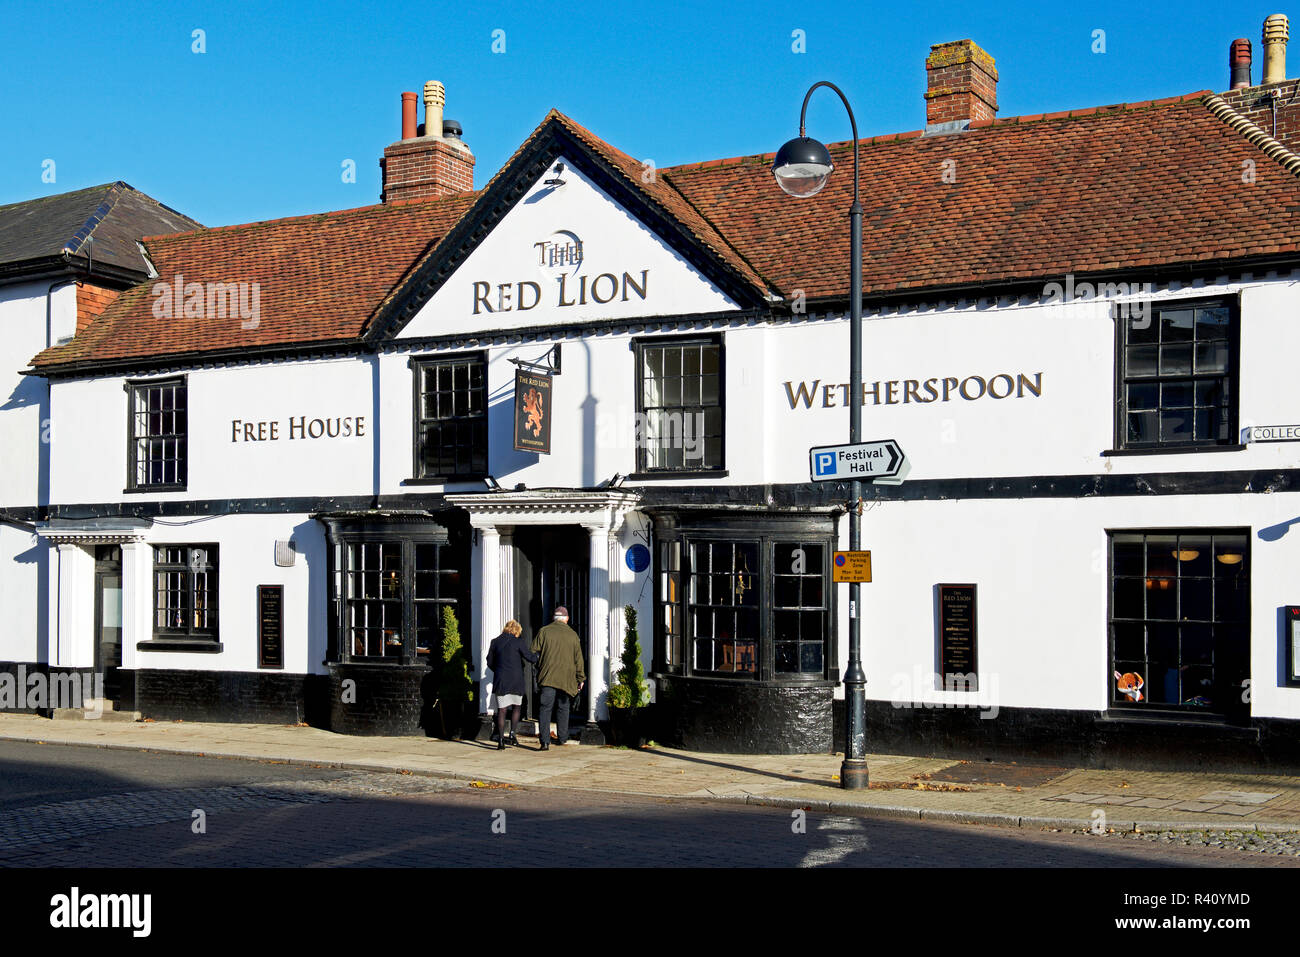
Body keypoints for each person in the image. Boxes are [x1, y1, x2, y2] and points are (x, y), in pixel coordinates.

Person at [531, 606, 584, 750]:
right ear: (566, 619)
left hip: (547, 676)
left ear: (554, 618)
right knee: (563, 708)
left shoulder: (544, 631)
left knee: (545, 708)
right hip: (566, 679)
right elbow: (578, 660)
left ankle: (545, 742)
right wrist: (581, 679)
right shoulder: (573, 635)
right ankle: (562, 737)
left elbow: (533, 652)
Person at [486, 619, 537, 750]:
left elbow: (489, 662)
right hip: (516, 680)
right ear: (516, 631)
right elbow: (529, 657)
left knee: (502, 710)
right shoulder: (518, 642)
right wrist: (537, 656)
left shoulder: (495, 641)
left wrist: (498, 670)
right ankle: (513, 736)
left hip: (501, 680)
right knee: (516, 707)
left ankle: (501, 740)